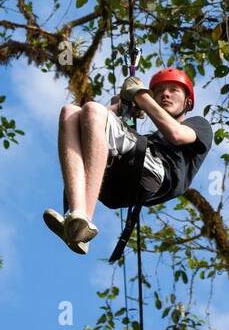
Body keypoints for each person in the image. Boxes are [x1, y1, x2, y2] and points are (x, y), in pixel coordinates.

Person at [43, 68, 213, 257]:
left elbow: (176, 134)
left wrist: (140, 96)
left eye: (174, 90)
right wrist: (119, 110)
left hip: (153, 174)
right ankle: (76, 217)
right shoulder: (148, 140)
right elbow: (92, 127)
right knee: (70, 112)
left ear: (188, 102)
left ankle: (84, 218)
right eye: (158, 91)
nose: (165, 93)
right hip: (118, 185)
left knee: (93, 109)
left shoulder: (199, 125)